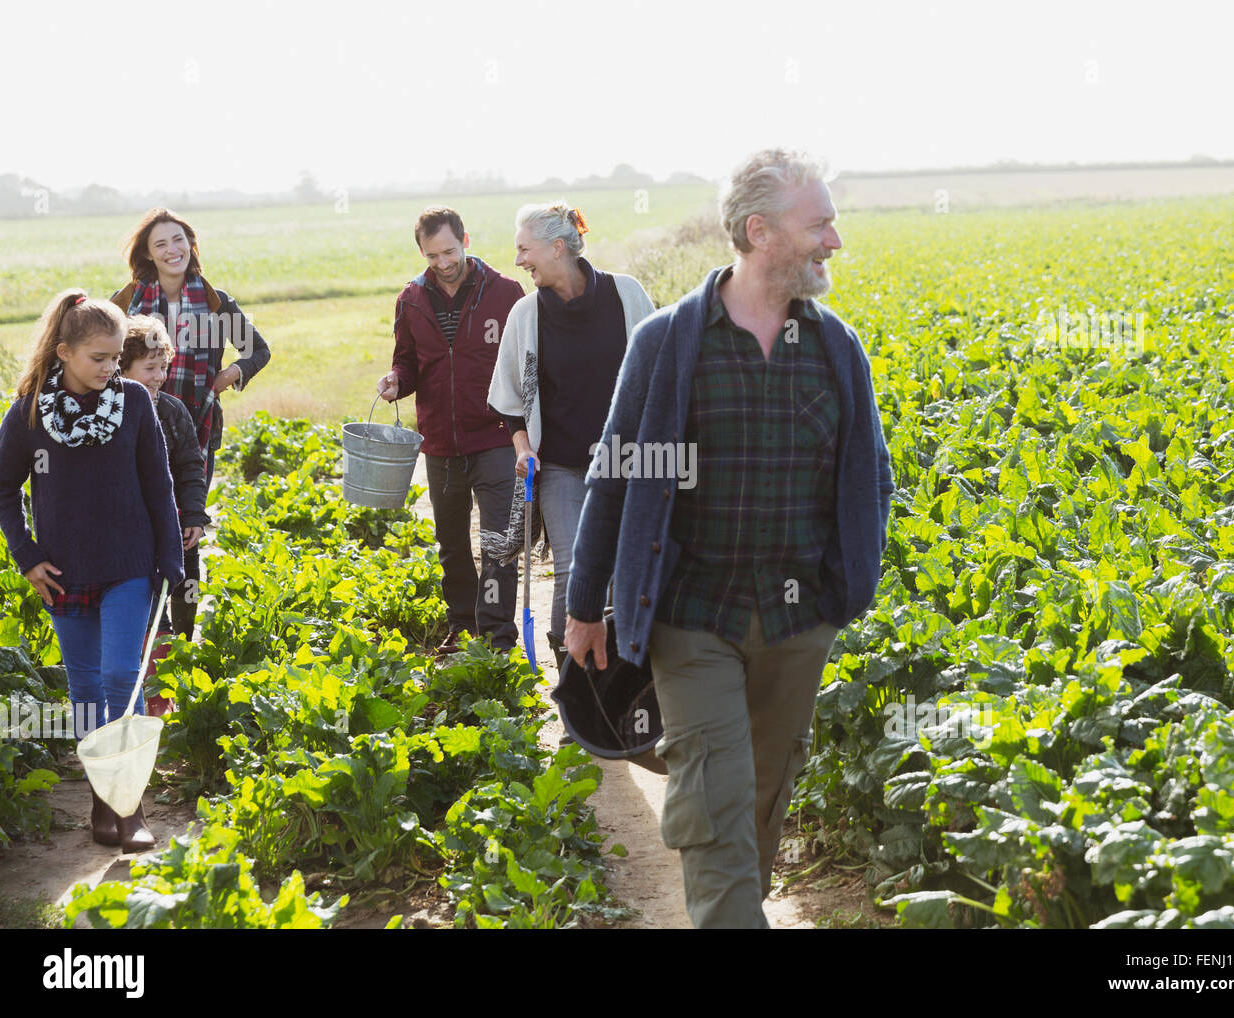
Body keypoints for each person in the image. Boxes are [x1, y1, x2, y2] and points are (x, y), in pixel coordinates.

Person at [563, 149, 894, 928]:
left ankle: (736, 903)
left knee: (762, 797)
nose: (835, 241)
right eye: (820, 224)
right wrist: (585, 605)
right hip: (694, 618)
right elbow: (613, 481)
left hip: (797, 621)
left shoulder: (836, 349)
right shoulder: (669, 344)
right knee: (713, 802)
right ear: (760, 232)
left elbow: (870, 477)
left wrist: (849, 586)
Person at [0, 290, 184, 852]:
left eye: (114, 356)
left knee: (122, 680)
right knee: (83, 692)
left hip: (129, 566)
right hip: (63, 573)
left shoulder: (133, 403)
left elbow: (159, 483)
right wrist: (27, 558)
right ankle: (104, 805)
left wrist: (171, 558)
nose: (110, 368)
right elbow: (2, 489)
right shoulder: (29, 411)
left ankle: (129, 809)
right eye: (98, 358)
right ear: (64, 352)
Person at [486, 202, 653, 666]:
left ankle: (619, 676)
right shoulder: (526, 314)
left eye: (524, 249)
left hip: (626, 461)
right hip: (560, 465)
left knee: (624, 571)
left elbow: (661, 374)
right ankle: (571, 683)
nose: (518, 260)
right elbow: (510, 401)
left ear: (557, 247)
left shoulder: (627, 295)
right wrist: (523, 449)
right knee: (573, 569)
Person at [111, 208, 271, 640]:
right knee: (140, 523)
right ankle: (151, 628)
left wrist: (229, 375)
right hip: (133, 428)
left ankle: (183, 633)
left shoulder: (215, 302)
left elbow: (258, 350)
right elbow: (99, 354)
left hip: (195, 431)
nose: (171, 250)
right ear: (147, 253)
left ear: (190, 245)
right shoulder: (125, 302)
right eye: (160, 243)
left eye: (178, 240)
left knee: (188, 528)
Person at [377, 207, 525, 654]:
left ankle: (497, 636)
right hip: (439, 443)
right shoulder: (411, 299)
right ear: (420, 252)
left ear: (466, 240)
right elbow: (407, 362)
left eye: (449, 251)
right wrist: (396, 381)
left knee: (499, 543)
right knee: (452, 544)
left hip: (497, 436)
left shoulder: (506, 293)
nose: (442, 262)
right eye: (431, 255)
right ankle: (463, 625)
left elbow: (526, 364)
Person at [119, 315, 208, 714]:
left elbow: (191, 465)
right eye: (149, 368)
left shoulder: (173, 412)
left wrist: (194, 516)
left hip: (178, 527)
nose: (158, 377)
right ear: (123, 369)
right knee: (148, 607)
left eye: (163, 368)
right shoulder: (115, 414)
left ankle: (180, 665)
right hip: (138, 534)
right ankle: (153, 695)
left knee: (186, 592)